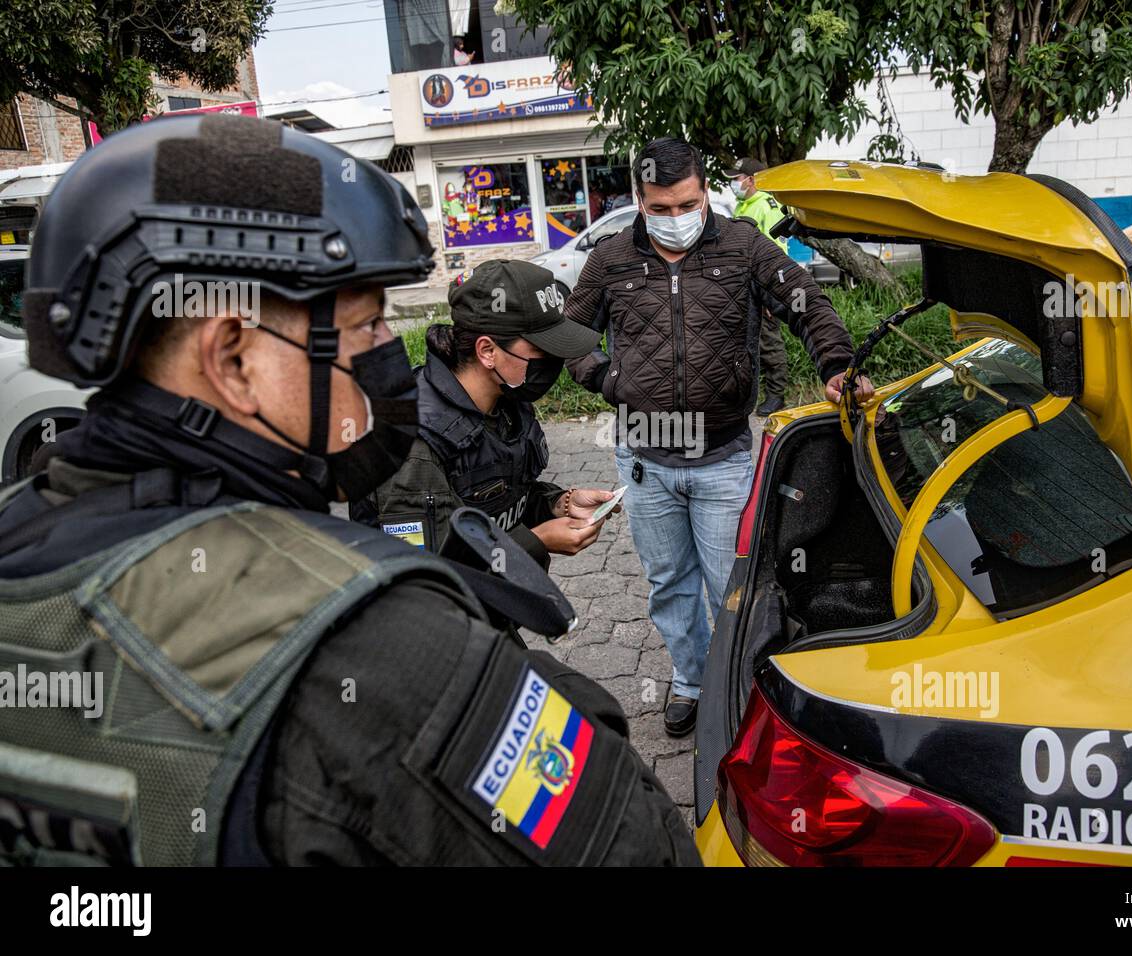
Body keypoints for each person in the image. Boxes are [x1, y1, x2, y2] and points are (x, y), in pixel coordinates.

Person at [0, 114, 698, 866]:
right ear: (233, 359)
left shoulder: (19, 536)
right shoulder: (382, 641)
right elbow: (642, 846)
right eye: (365, 330)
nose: (386, 361)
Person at [564, 137, 868, 735]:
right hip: (644, 461)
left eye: (686, 205)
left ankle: (744, 681)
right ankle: (691, 679)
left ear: (706, 194)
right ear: (638, 200)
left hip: (724, 458)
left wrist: (836, 366)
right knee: (668, 583)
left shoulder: (744, 247)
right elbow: (571, 334)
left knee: (733, 584)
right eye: (660, 209)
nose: (675, 220)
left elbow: (808, 302)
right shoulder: (609, 259)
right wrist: (606, 379)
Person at [355, 259, 616, 568]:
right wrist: (539, 540)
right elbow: (428, 565)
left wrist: (558, 503)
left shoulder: (504, 401)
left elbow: (499, 503)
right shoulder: (413, 443)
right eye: (542, 352)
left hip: (499, 605)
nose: (553, 363)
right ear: (488, 351)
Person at [725, 157, 790, 416]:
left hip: (763, 288)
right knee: (745, 344)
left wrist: (771, 293)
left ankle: (776, 395)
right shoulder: (743, 206)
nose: (733, 183)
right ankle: (747, 393)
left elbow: (779, 251)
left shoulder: (767, 206)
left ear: (751, 180)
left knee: (769, 343)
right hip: (742, 289)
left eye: (737, 178)